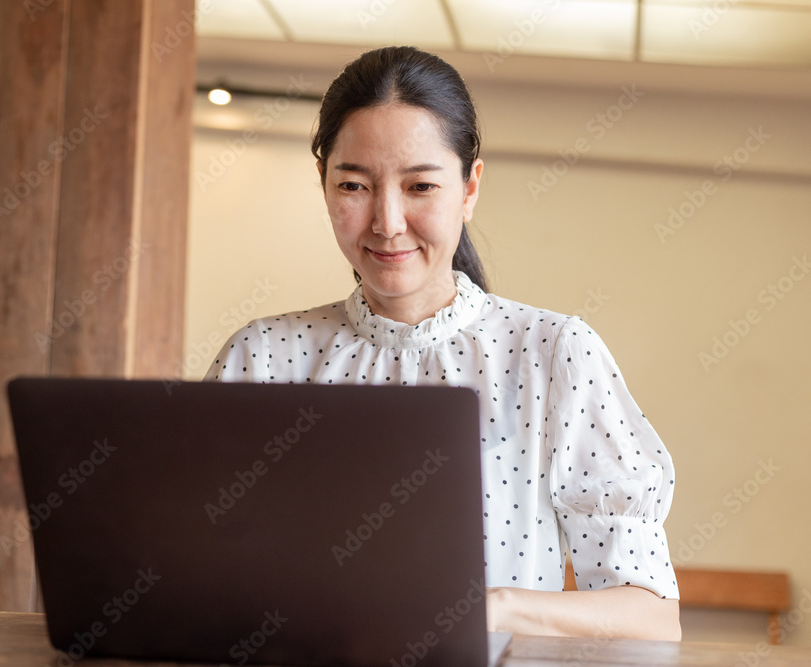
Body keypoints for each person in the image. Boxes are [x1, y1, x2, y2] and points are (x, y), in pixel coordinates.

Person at [204, 46, 680, 640]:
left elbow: (650, 617)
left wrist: (499, 608)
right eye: (353, 185)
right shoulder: (262, 358)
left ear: (469, 186)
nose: (387, 221)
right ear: (324, 185)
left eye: (421, 186)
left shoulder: (554, 354)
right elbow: (198, 577)